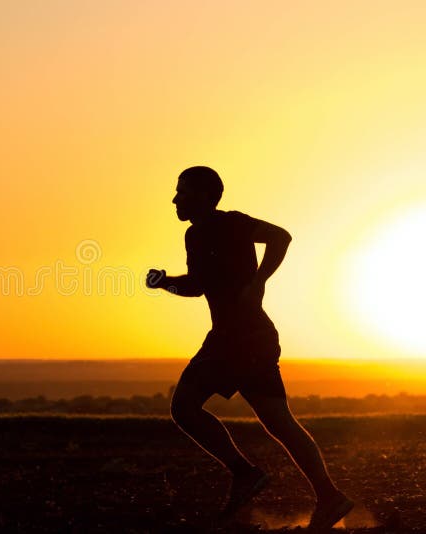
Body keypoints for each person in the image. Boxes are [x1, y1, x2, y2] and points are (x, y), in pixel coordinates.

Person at [145, 166, 353, 530]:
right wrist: (166, 284)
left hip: (240, 339)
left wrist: (259, 282)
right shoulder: (194, 236)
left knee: (185, 408)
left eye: (183, 192)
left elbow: (281, 237)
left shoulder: (233, 223)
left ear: (206, 196)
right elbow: (196, 286)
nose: (175, 199)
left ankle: (246, 473)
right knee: (278, 422)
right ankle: (330, 497)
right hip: (240, 337)